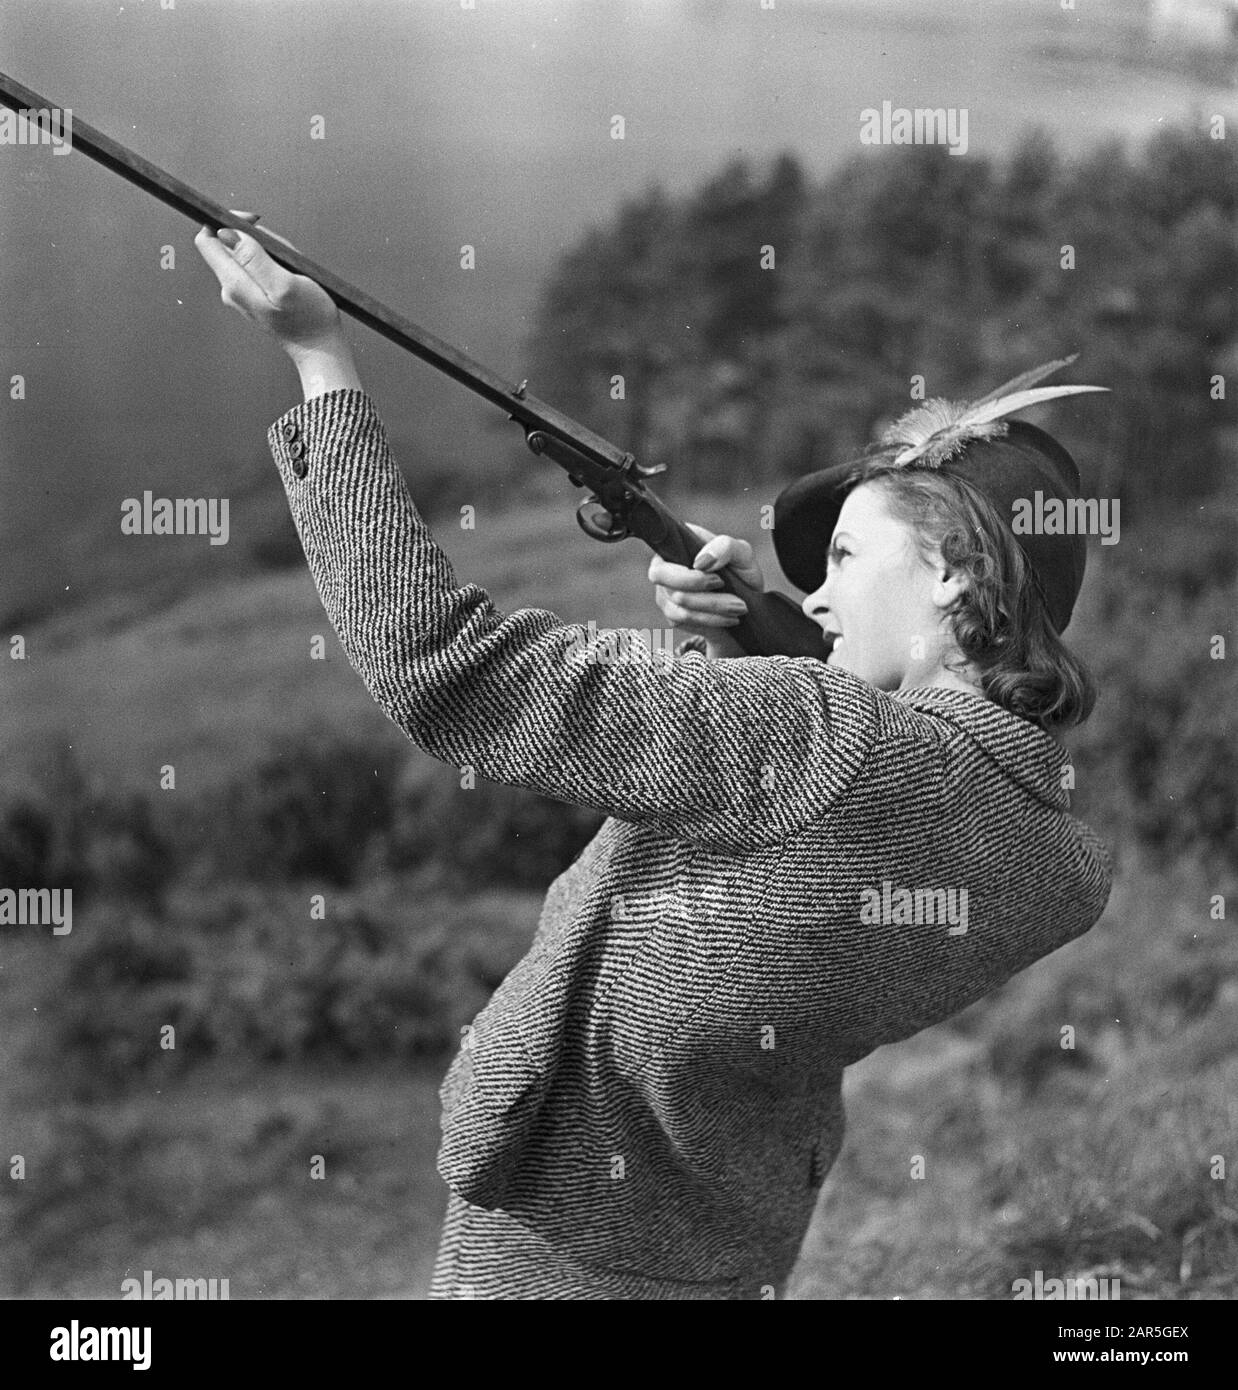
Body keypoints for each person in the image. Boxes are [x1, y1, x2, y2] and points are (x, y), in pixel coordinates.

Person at [194, 216, 1114, 1300]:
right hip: (730, 1227)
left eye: (850, 557)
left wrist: (318, 359)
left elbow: (436, 663)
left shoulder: (824, 738)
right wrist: (730, 654)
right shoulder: (1056, 860)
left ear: (956, 579)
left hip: (560, 1223)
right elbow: (786, 883)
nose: (815, 596)